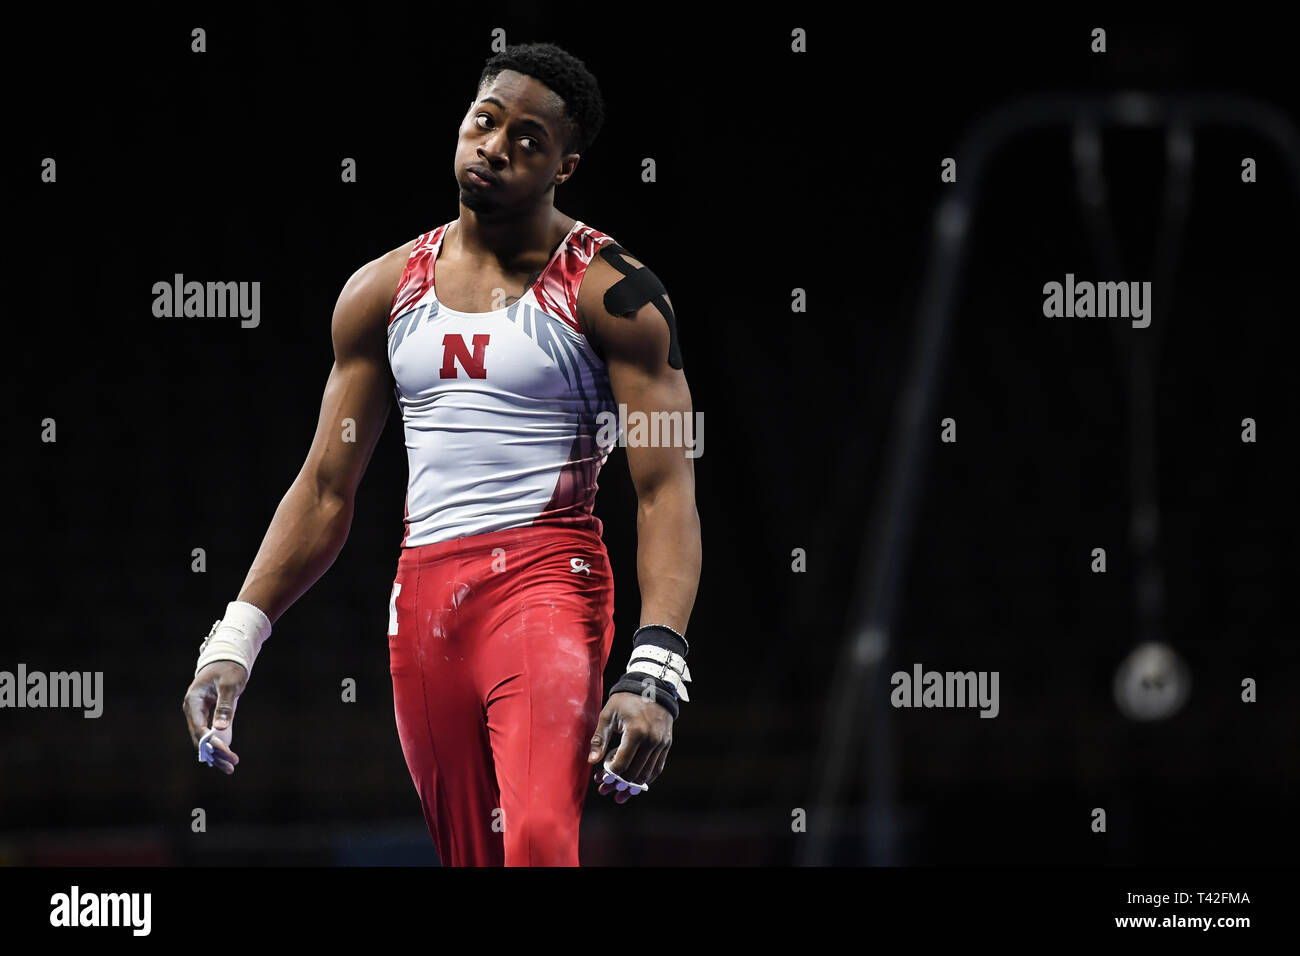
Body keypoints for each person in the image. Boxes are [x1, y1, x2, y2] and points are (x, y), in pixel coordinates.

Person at [180, 41, 701, 866]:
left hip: (546, 581)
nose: (495, 146)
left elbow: (666, 490)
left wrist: (656, 663)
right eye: (484, 121)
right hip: (423, 601)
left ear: (566, 165)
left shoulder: (617, 293)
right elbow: (323, 489)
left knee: (534, 840)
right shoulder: (380, 293)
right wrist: (233, 640)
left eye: (528, 139)